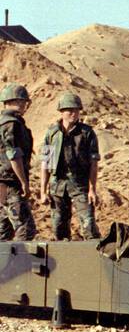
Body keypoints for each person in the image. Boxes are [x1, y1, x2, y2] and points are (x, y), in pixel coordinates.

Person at [38, 92, 101, 240]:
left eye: (77, 110)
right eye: (70, 110)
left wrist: (92, 190)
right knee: (59, 227)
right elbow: (46, 164)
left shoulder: (87, 133)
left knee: (88, 225)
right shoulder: (52, 133)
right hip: (57, 185)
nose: (74, 113)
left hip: (80, 184)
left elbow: (94, 163)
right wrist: (43, 191)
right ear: (62, 112)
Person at [0, 84, 37, 240]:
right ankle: (19, 265)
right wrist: (24, 182)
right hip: (10, 183)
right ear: (17, 101)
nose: (25, 105)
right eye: (23, 102)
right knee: (25, 228)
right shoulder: (12, 124)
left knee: (3, 230)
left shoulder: (4, 122)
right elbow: (14, 156)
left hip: (2, 183)